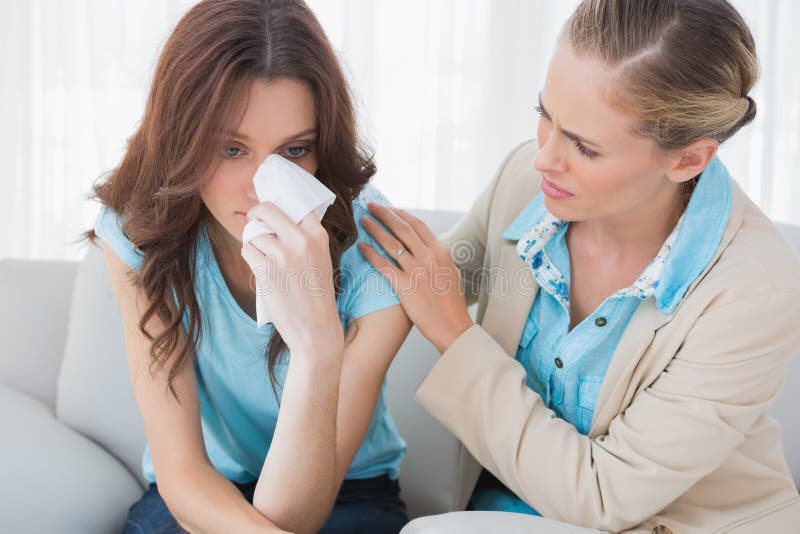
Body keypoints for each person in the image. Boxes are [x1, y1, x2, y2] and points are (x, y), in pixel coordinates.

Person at [358, 0, 800, 532]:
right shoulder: (526, 182)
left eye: (585, 147)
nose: (544, 156)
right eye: (545, 114)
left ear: (687, 159)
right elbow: (419, 278)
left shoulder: (754, 290)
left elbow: (604, 497)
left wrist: (456, 335)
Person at [86, 0, 412, 532]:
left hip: (344, 491)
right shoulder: (137, 233)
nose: (263, 189)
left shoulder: (376, 247)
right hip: (203, 490)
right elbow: (182, 470)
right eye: (231, 150)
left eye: (295, 151)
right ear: (182, 140)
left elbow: (298, 514)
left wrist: (317, 346)